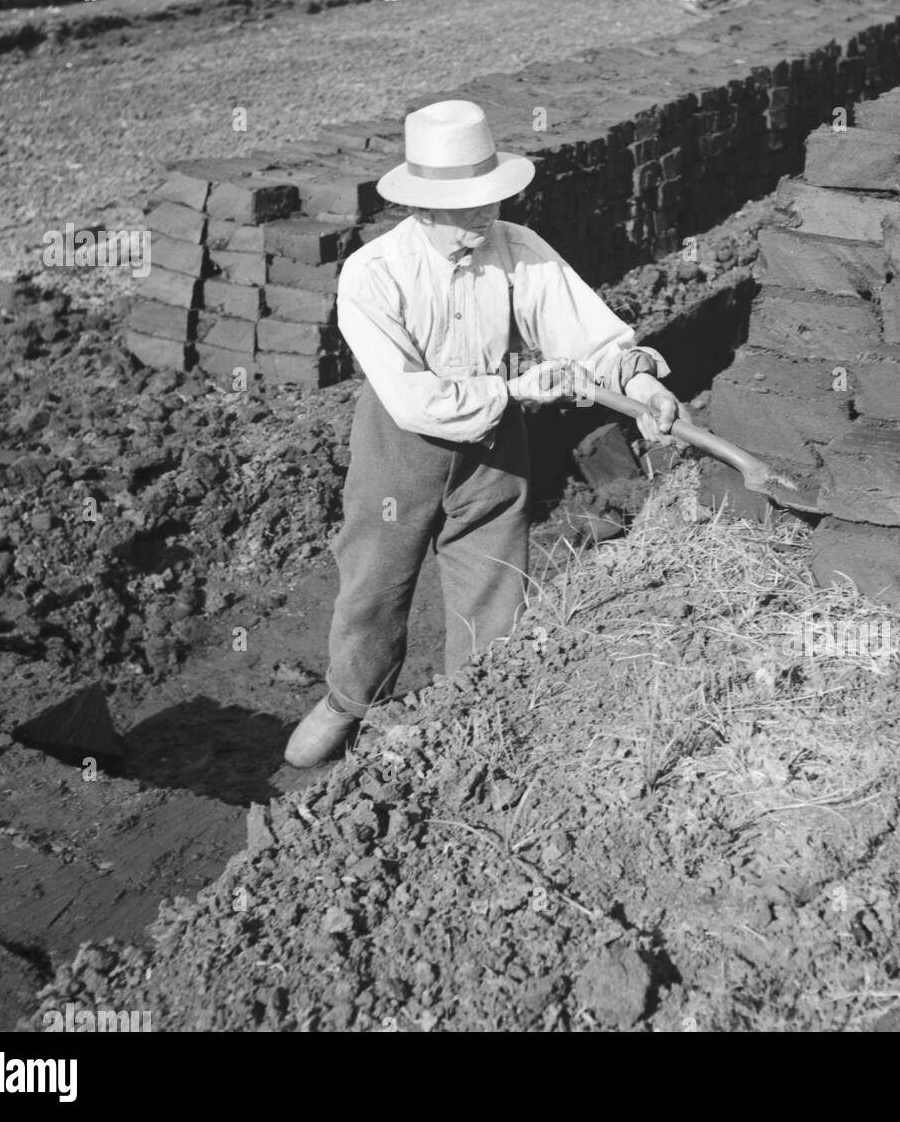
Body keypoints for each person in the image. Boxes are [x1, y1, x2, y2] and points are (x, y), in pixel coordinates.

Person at [285, 99, 690, 768]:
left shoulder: (516, 250)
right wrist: (513, 389)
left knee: (495, 584)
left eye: (488, 205)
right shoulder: (374, 274)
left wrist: (637, 377)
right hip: (400, 445)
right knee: (374, 584)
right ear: (420, 208)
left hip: (496, 446)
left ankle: (471, 713)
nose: (481, 222)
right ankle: (348, 702)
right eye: (464, 211)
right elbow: (414, 399)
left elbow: (584, 332)